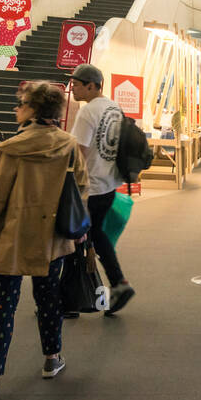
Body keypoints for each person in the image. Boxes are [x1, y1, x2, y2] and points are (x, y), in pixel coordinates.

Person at [0, 82, 88, 400]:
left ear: (33, 110)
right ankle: (52, 358)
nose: (17, 109)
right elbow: (82, 187)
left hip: (12, 241)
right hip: (52, 240)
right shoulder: (69, 145)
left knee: (2, 308)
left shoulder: (11, 150)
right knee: (49, 299)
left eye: (21, 104)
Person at [67, 64, 135, 315]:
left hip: (90, 186)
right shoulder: (113, 107)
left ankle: (72, 299)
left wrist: (70, 188)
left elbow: (79, 153)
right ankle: (117, 284)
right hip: (108, 184)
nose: (73, 87)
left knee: (75, 237)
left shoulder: (88, 113)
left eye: (77, 83)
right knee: (94, 235)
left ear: (92, 85)